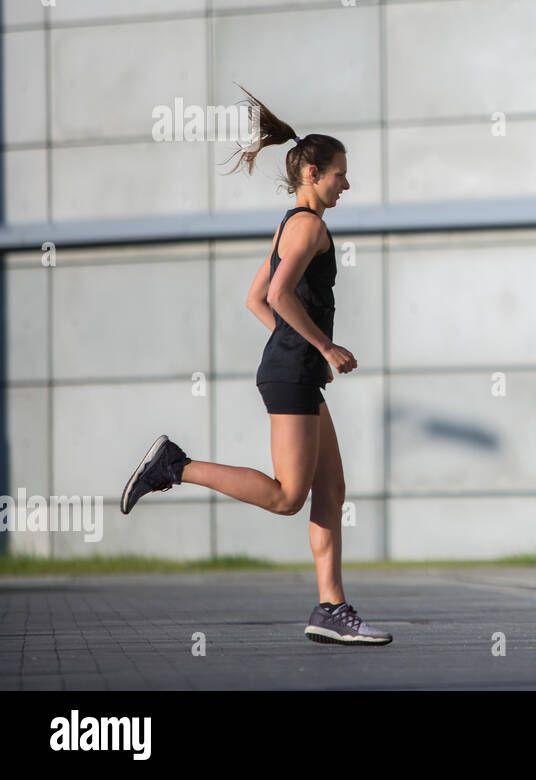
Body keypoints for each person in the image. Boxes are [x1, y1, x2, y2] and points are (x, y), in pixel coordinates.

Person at [120, 85, 391, 646]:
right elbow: (282, 294)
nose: (347, 183)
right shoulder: (309, 226)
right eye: (341, 173)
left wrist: (293, 345)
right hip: (295, 372)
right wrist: (320, 347)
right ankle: (176, 465)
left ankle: (330, 609)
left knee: (331, 490)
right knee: (288, 497)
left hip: (293, 369)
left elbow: (256, 298)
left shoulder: (290, 221)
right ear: (313, 171)